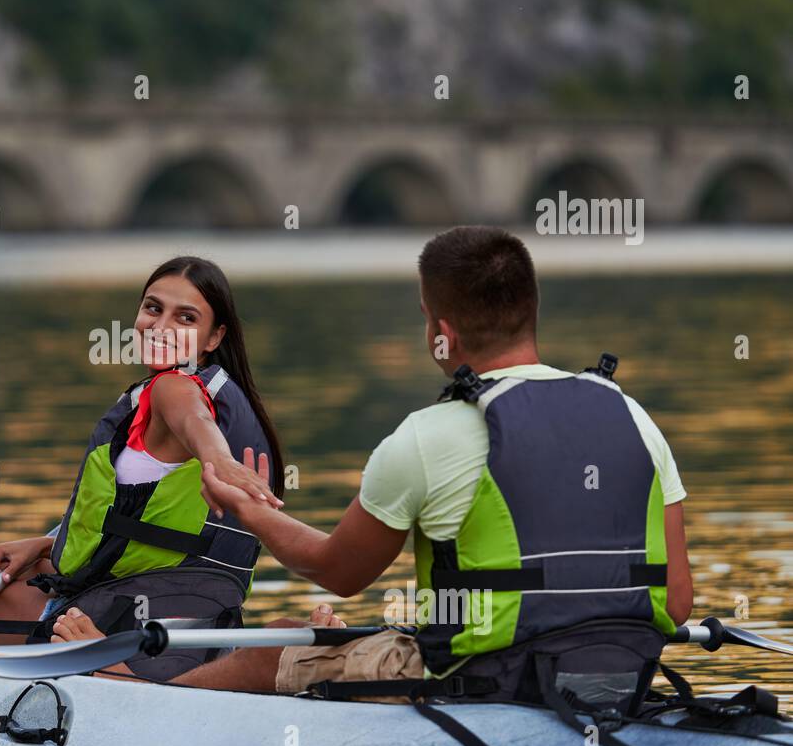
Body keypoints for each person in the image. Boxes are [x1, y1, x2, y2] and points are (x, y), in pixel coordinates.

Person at [62, 227, 694, 709]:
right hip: (623, 671)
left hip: (481, 678)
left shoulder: (428, 435)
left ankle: (133, 688)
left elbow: (338, 571)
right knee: (317, 634)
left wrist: (253, 516)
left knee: (275, 655)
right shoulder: (631, 415)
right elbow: (681, 600)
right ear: (532, 310)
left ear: (439, 329)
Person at [0, 255, 291, 680]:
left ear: (215, 336)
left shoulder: (174, 388)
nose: (161, 326)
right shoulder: (234, 398)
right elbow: (143, 522)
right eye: (153, 308)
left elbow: (194, 419)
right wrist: (50, 541)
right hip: (198, 630)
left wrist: (218, 461)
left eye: (185, 318)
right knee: (26, 566)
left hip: (131, 631)